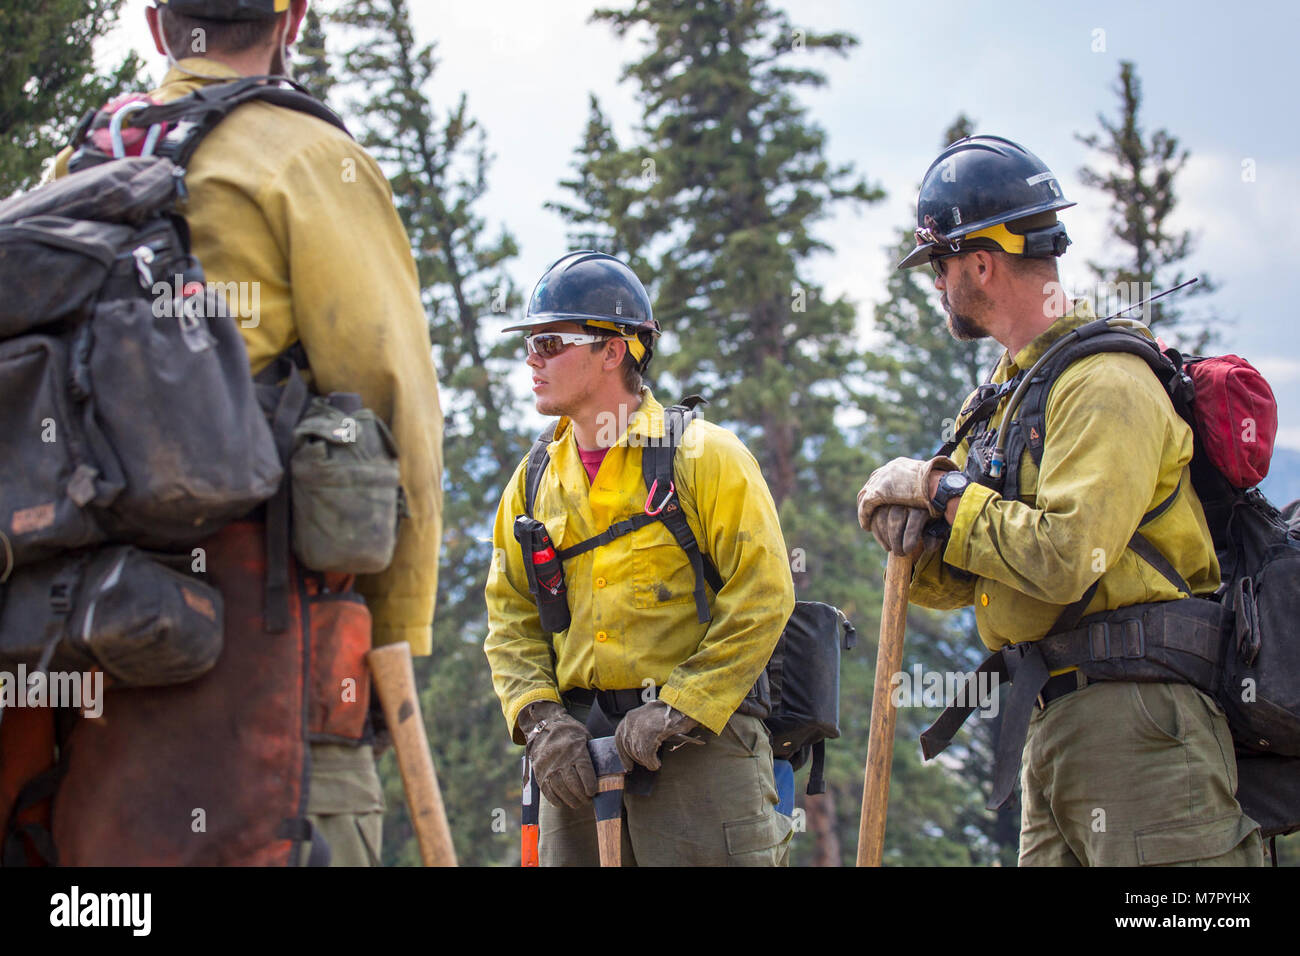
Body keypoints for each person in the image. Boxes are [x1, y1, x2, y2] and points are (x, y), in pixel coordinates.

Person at [43, 0, 443, 866]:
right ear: (290, 16)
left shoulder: (70, 172)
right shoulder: (309, 159)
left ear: (158, 26)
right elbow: (391, 397)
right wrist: (394, 639)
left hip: (66, 681)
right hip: (269, 652)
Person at [858, 135, 1263, 867]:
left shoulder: (1105, 383)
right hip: (1054, 722)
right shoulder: (1007, 398)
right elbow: (983, 574)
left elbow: (1069, 557)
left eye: (941, 265)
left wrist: (943, 491)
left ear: (981, 262)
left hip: (1140, 720)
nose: (938, 284)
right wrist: (916, 541)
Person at [483, 251, 794, 866]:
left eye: (550, 341)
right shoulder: (533, 480)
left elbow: (763, 597)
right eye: (531, 343)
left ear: (614, 350)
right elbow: (510, 616)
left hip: (702, 763)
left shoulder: (705, 458)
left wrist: (680, 710)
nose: (532, 359)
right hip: (573, 766)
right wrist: (542, 723)